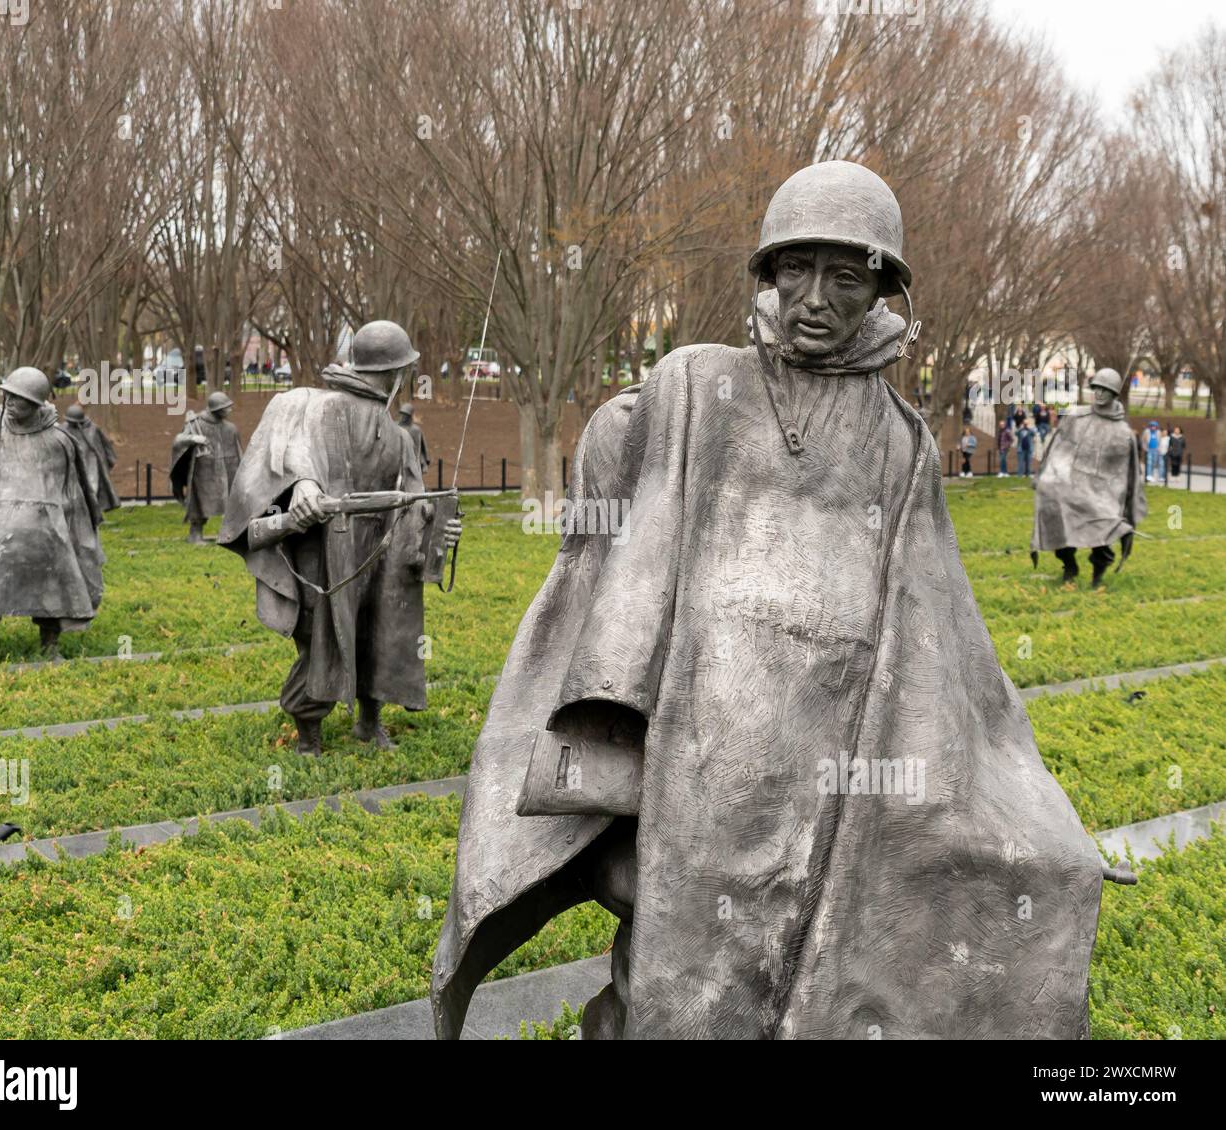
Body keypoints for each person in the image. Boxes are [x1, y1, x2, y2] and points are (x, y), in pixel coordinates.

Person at [433, 161, 1101, 1041]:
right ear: (768, 276)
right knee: (674, 964)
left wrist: (1014, 791)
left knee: (800, 957)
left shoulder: (902, 441)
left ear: (880, 292)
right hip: (701, 735)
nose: (813, 299)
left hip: (833, 744)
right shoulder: (696, 386)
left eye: (845, 277)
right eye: (795, 271)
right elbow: (617, 545)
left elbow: (943, 626)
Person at [218, 321, 461, 756]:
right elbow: (294, 449)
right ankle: (308, 735)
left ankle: (371, 722)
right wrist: (307, 486)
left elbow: (415, 498)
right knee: (320, 637)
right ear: (396, 373)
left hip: (381, 551)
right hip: (325, 550)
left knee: (380, 632)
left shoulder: (400, 437)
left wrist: (439, 525)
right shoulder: (319, 406)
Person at [0, 367, 103, 656]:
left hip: (42, 525)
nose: (10, 404)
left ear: (36, 404)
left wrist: (80, 537)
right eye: (7, 397)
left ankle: (50, 642)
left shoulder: (58, 441)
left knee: (54, 551)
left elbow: (73, 495)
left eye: (18, 399)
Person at [1031, 368, 1147, 589]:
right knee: (1052, 501)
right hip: (1074, 483)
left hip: (1104, 493)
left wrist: (1126, 504)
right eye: (1097, 389)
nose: (1100, 394)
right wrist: (1045, 474)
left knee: (1102, 518)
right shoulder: (1077, 417)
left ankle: (1098, 575)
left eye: (1106, 390)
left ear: (1114, 394)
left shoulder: (1123, 432)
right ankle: (1069, 564)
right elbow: (1058, 449)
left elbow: (1128, 474)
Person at [170, 391, 242, 543]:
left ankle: (232, 534)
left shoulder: (231, 428)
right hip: (203, 471)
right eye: (226, 407)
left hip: (228, 469)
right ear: (217, 409)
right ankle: (195, 534)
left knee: (233, 503)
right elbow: (178, 441)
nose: (230, 410)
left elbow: (238, 451)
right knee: (198, 502)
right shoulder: (196, 423)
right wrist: (192, 438)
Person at [60, 404, 121, 514]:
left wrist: (110, 459)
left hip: (90, 463)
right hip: (72, 465)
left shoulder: (92, 429)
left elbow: (104, 444)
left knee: (93, 489)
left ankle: (94, 514)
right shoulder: (63, 429)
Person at [397, 402, 431, 471]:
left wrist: (426, 459)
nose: (403, 417)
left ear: (409, 416)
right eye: (402, 414)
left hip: (412, 457)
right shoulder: (395, 426)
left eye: (405, 415)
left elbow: (421, 446)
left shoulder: (415, 430)